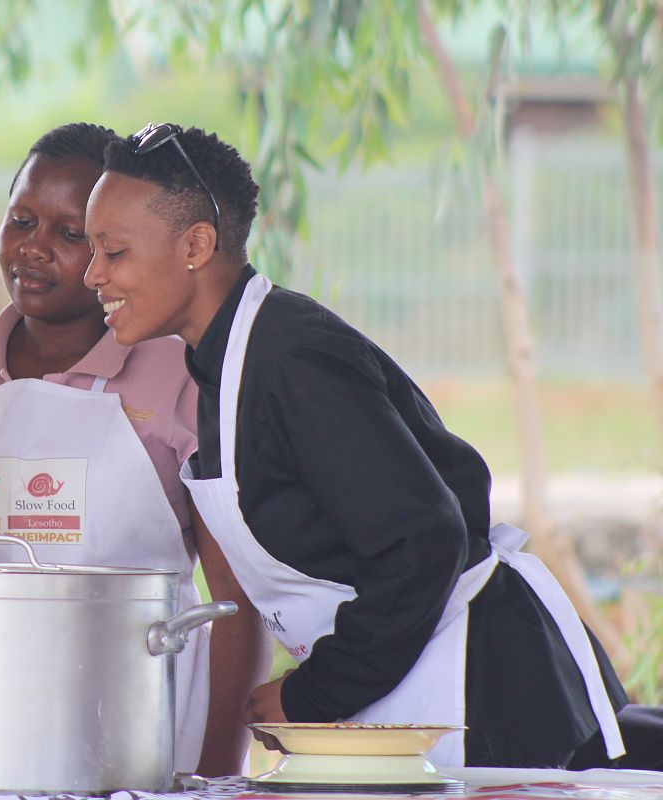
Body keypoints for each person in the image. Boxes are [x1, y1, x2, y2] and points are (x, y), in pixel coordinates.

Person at [82, 122, 656, 769]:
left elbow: (422, 542)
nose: (92, 273)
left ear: (196, 245)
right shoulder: (223, 362)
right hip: (397, 688)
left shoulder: (291, 356)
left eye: (113, 252)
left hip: (485, 688)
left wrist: (314, 693)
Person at [0, 123, 271, 776]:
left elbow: (236, 605)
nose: (34, 250)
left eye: (71, 236)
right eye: (22, 219)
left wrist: (213, 774)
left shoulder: (181, 380)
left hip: (142, 743)